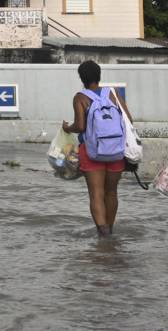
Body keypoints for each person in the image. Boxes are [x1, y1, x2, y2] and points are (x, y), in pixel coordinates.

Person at [62, 60, 133, 237]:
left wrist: (67, 128)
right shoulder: (113, 93)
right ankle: (110, 229)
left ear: (81, 78)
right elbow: (128, 119)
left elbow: (80, 126)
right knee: (111, 192)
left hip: (92, 152)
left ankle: (103, 233)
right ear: (99, 75)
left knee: (96, 194)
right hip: (116, 151)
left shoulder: (80, 97)